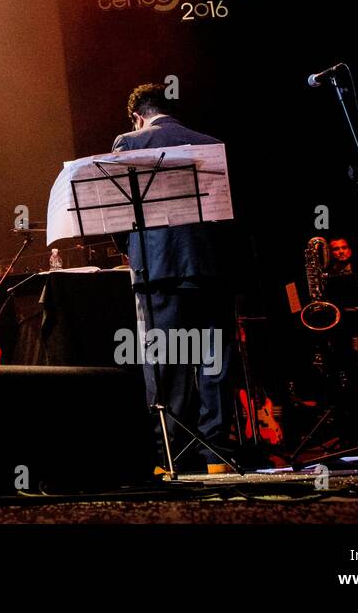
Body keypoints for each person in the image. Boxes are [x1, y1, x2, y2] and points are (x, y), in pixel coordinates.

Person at [110, 83, 233, 472]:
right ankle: (215, 455)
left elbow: (118, 210)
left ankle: (169, 455)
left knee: (167, 361)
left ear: (137, 115)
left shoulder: (129, 142)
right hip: (211, 266)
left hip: (158, 266)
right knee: (214, 358)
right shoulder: (209, 142)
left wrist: (127, 248)